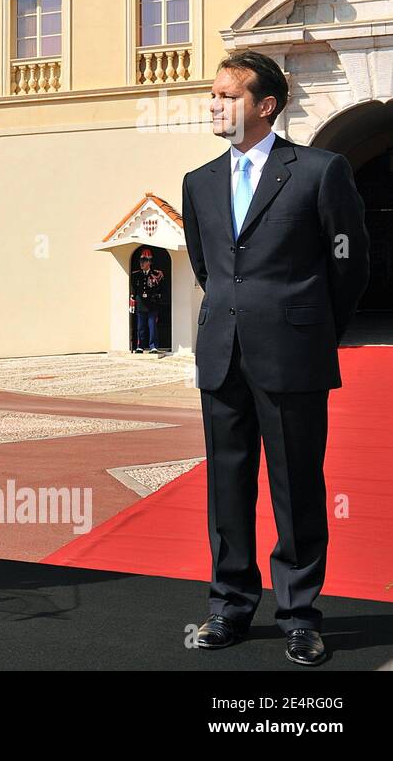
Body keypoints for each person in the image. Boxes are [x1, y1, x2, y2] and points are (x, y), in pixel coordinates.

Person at [182, 50, 370, 666]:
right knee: (226, 488)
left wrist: (312, 329)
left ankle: (299, 616)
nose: (215, 104)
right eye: (213, 95)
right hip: (222, 356)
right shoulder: (199, 182)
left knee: (296, 487)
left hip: (293, 355)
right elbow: (209, 269)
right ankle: (228, 607)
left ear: (265, 106)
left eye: (227, 95)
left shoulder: (321, 171)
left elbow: (349, 262)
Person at [129, 248, 166, 354]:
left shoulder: (157, 274)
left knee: (152, 327)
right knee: (140, 327)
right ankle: (140, 346)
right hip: (140, 304)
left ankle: (153, 346)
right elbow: (133, 289)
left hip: (152, 305)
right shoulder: (136, 275)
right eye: (141, 261)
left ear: (149, 262)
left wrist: (158, 299)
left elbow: (162, 289)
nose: (142, 263)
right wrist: (132, 299)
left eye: (144, 261)